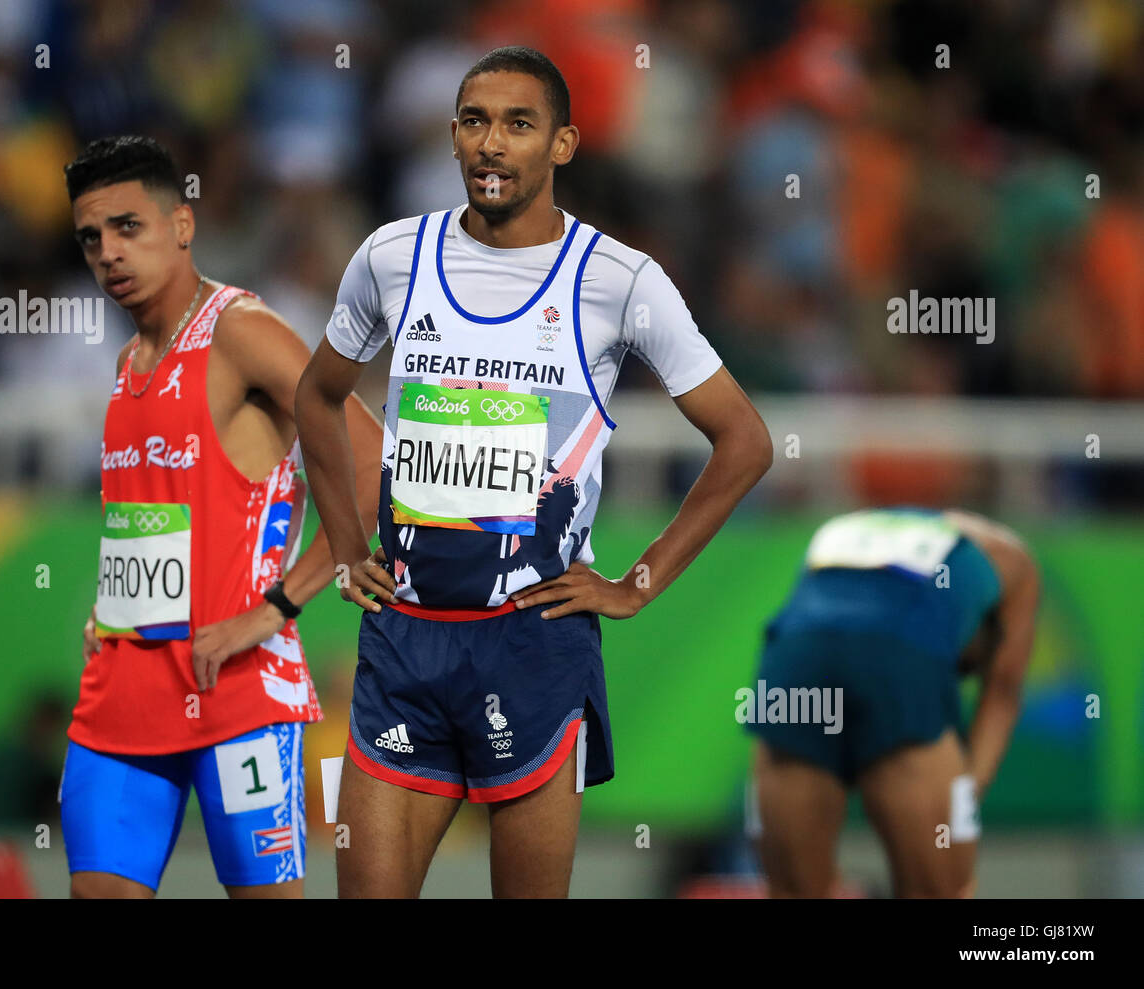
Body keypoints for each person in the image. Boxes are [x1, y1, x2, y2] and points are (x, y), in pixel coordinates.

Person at [295, 47, 773, 898]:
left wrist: (637, 582)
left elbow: (745, 442)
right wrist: (343, 545)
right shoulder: (390, 257)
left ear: (563, 144)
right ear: (450, 137)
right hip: (401, 639)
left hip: (531, 644)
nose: (492, 144)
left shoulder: (621, 281)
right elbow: (316, 397)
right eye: (475, 122)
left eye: (519, 125)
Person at [59, 136, 382, 899]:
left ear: (182, 225)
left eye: (127, 227)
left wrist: (274, 610)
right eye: (90, 238)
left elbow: (371, 467)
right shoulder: (127, 361)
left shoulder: (240, 333)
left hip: (236, 689)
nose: (108, 252)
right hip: (124, 684)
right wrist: (117, 606)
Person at [746, 507, 1041, 898]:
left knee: (791, 892)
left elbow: (834, 629)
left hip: (791, 661)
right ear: (986, 632)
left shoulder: (843, 525)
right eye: (962, 668)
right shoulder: (1011, 558)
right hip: (899, 660)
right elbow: (1002, 692)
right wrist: (963, 799)